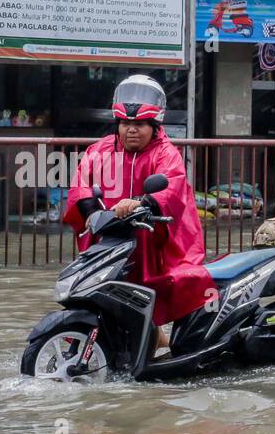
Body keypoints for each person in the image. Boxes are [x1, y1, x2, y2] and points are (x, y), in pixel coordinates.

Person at [63, 75, 212, 356]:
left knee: (153, 297)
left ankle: (181, 351)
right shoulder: (101, 150)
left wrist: (141, 202)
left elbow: (172, 187)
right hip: (111, 237)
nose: (131, 130)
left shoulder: (166, 153)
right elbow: (80, 184)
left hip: (153, 238)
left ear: (154, 127)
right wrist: (93, 211)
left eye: (139, 125)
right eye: (126, 124)